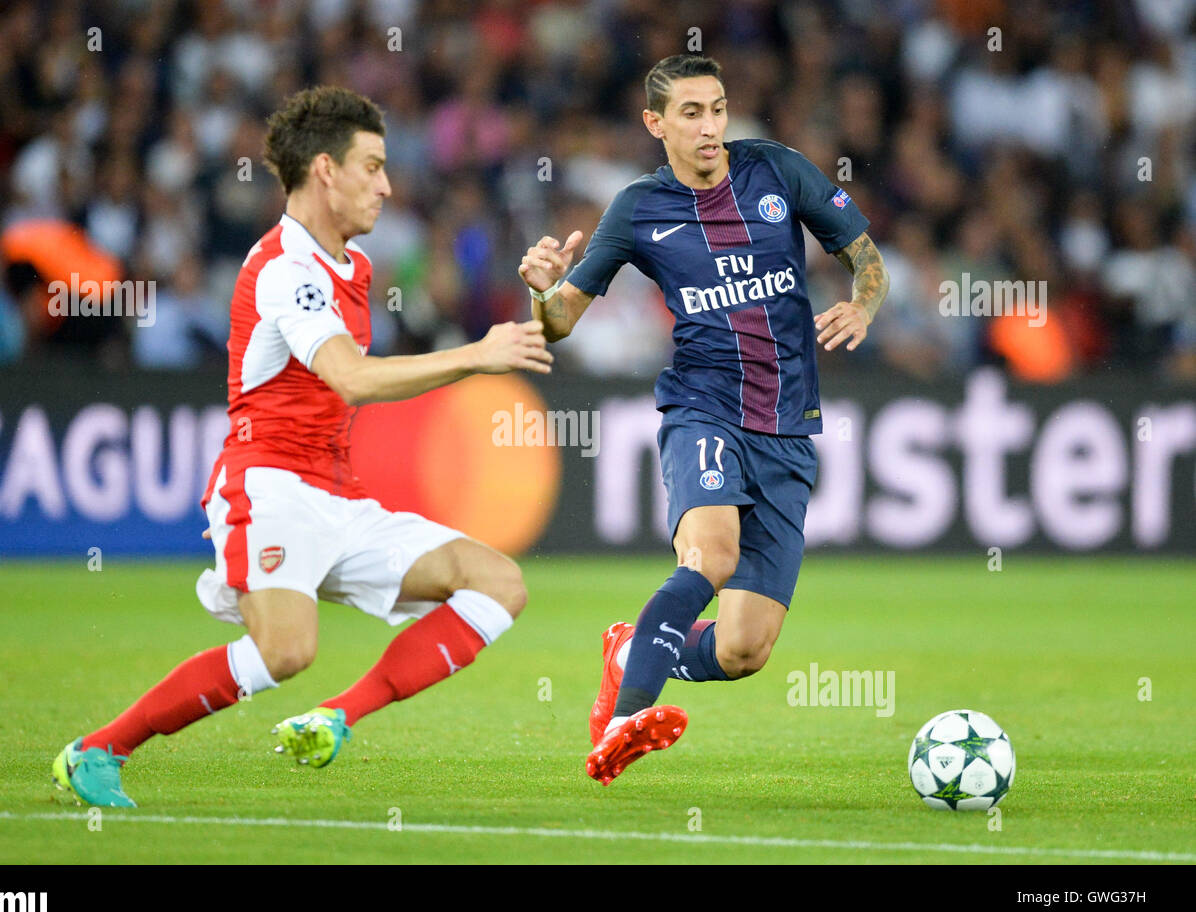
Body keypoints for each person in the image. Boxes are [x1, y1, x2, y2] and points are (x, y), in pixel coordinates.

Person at [53, 86, 552, 807]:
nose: (387, 184)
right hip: (270, 483)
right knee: (287, 649)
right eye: (373, 165)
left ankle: (334, 717)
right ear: (325, 169)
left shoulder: (353, 265)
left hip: (337, 491)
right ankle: (98, 749)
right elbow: (349, 375)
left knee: (499, 583)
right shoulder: (287, 268)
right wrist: (475, 356)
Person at [518, 55, 889, 785]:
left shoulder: (778, 171)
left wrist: (863, 304)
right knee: (710, 557)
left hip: (787, 427)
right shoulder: (636, 209)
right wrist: (540, 290)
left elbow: (868, 257)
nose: (711, 127)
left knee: (744, 650)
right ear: (656, 123)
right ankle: (623, 720)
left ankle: (631, 648)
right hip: (703, 407)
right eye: (691, 113)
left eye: (717, 108)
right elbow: (561, 320)